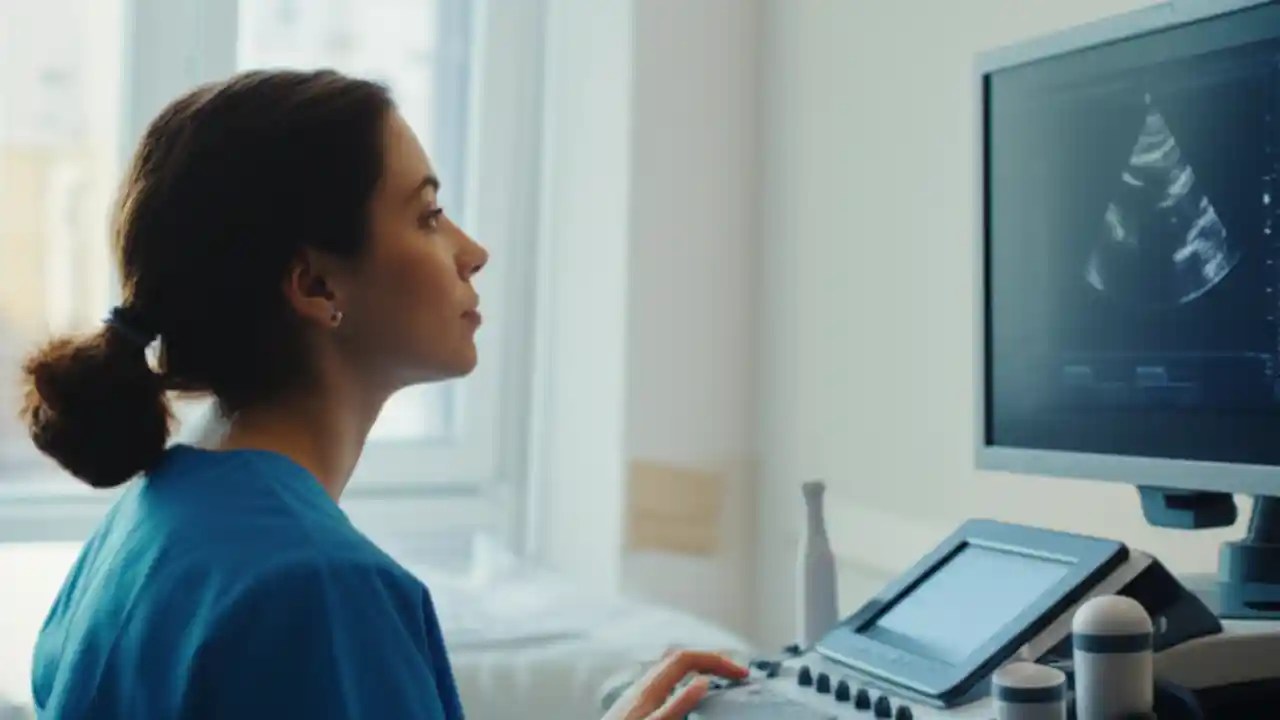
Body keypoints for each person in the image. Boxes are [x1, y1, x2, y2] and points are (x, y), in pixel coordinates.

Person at [22, 70, 746, 719]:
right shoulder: (321, 590)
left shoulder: (149, 521)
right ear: (316, 285)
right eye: (427, 217)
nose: (472, 252)